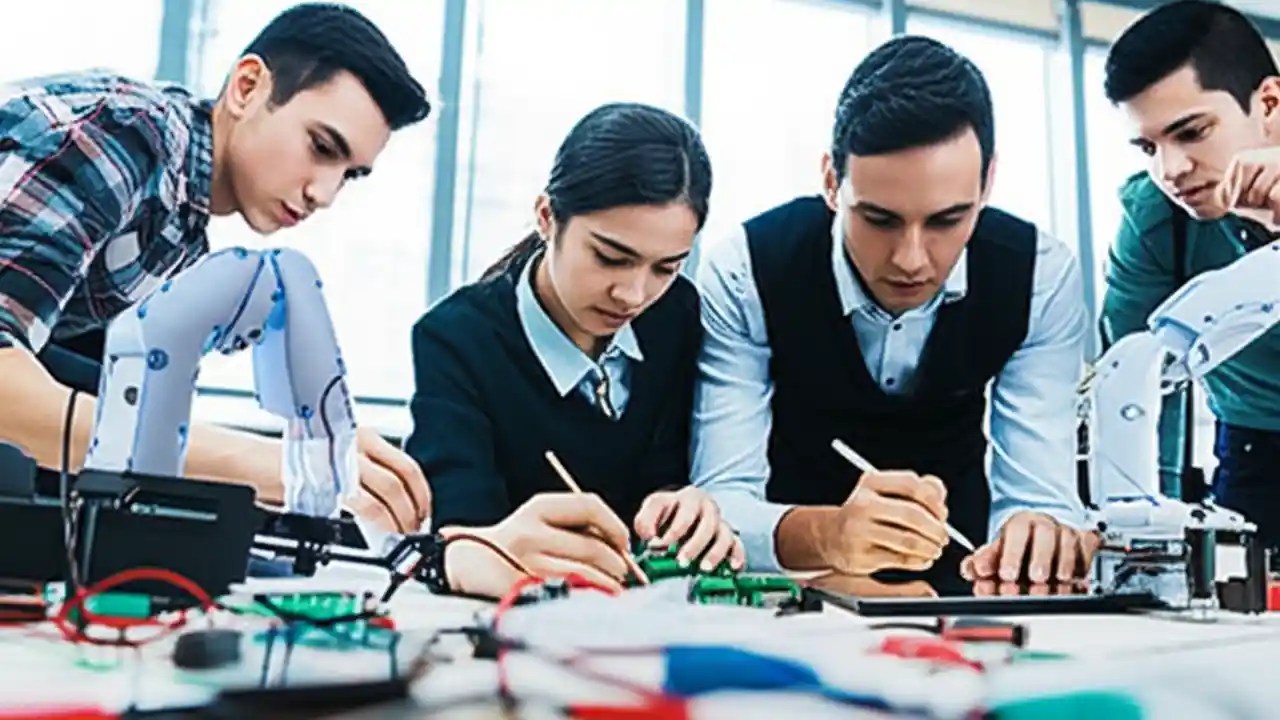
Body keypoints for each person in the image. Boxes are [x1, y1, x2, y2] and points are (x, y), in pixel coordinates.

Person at [0, 3, 432, 534]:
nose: (324, 194)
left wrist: (302, 452)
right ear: (247, 87)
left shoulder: (179, 233)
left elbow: (104, 414)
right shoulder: (121, 135)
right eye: (321, 147)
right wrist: (270, 465)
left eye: (349, 175)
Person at [692, 35, 1096, 586]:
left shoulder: (1040, 277)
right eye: (879, 220)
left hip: (964, 582)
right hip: (789, 589)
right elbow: (720, 505)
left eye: (947, 221)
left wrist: (1038, 531)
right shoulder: (745, 271)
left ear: (988, 184)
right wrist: (829, 535)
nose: (911, 260)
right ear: (832, 183)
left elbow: (1039, 494)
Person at [405, 102, 745, 595]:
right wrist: (500, 548)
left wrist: (684, 510)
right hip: (508, 619)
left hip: (644, 621)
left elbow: (666, 474)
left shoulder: (677, 318)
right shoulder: (455, 339)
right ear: (547, 217)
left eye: (666, 268)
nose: (633, 294)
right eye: (610, 258)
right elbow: (459, 532)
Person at [1100, 1, 1280, 547]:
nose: (1170, 171)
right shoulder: (1155, 221)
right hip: (1256, 450)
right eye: (1148, 146)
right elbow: (1136, 376)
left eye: (1192, 133)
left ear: (1270, 104)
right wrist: (1146, 521)